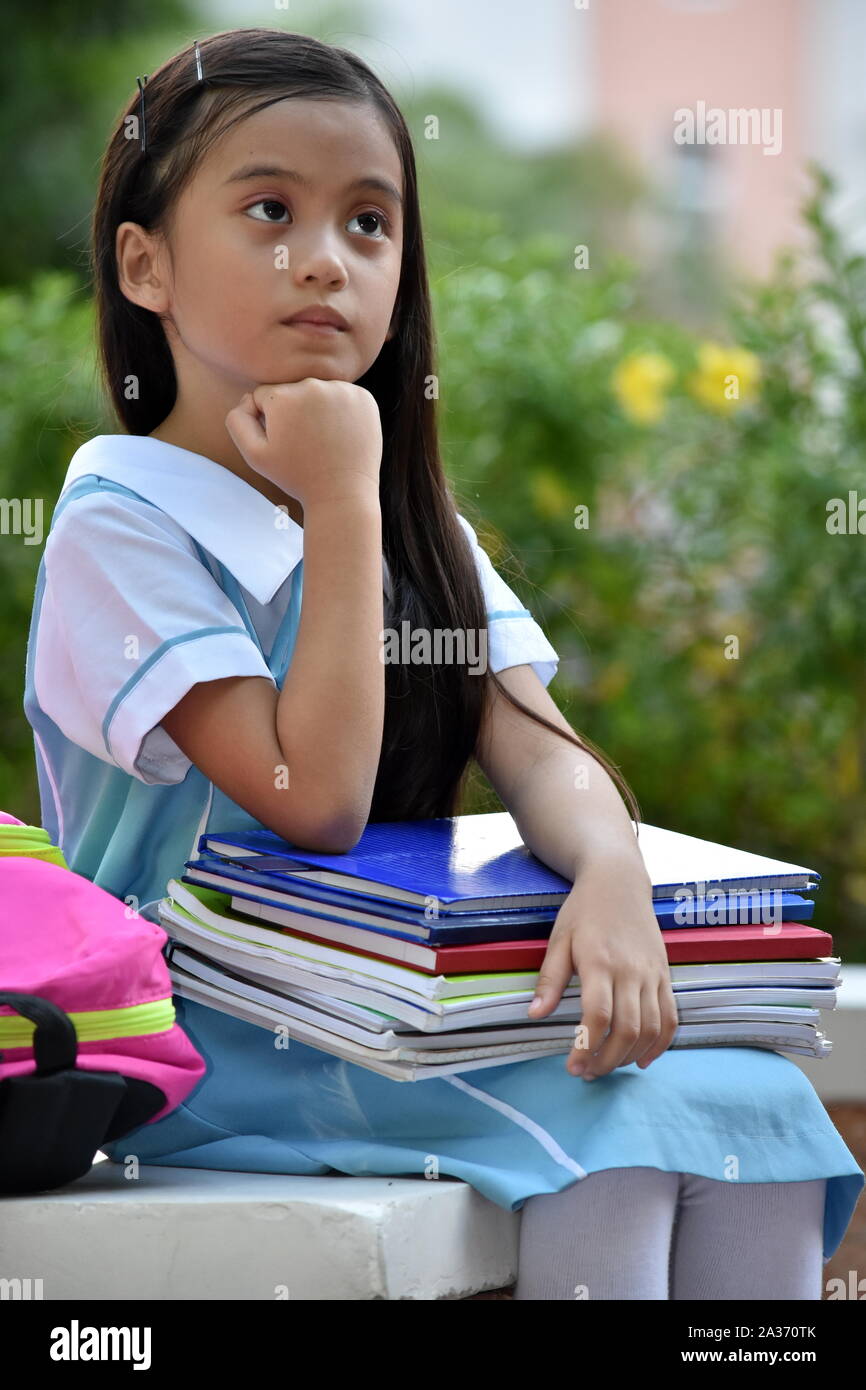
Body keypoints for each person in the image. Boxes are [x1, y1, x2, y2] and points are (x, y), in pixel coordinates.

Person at [23, 28, 863, 1300]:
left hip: (377, 1004)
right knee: (619, 1138)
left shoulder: (417, 529)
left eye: (369, 222)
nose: (325, 259)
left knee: (752, 1103)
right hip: (190, 1037)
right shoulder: (121, 521)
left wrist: (610, 876)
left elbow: (534, 742)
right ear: (145, 264)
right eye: (268, 210)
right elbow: (312, 794)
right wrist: (341, 501)